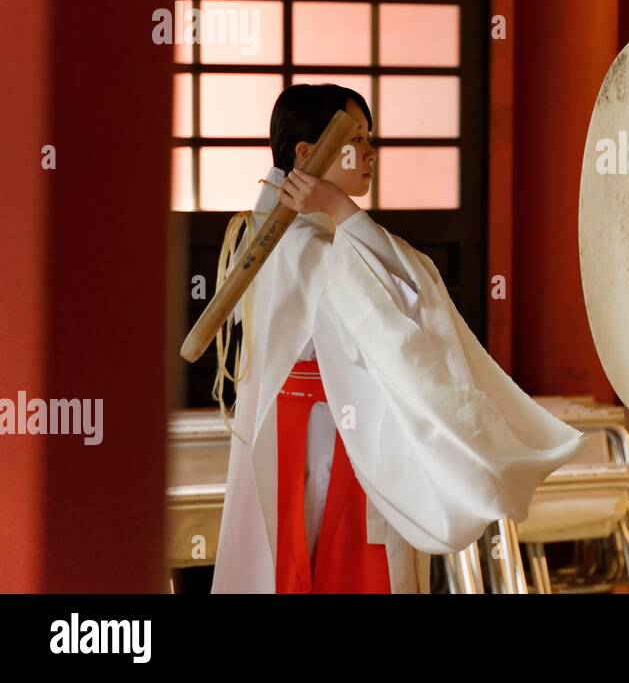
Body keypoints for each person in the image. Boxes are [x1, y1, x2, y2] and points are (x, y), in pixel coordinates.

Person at [210, 83, 584, 593]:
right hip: (322, 426)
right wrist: (344, 216)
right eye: (356, 139)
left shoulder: (323, 235)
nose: (370, 153)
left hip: (344, 425)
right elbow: (401, 307)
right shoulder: (287, 238)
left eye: (370, 138)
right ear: (306, 153)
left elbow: (408, 300)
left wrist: (342, 213)